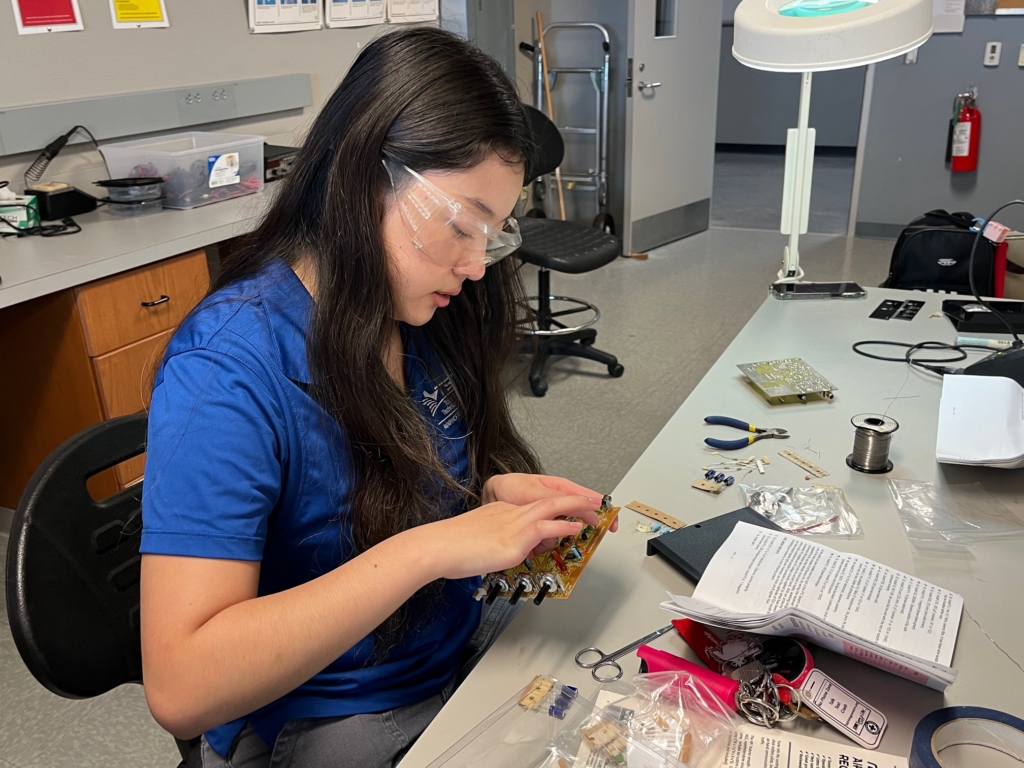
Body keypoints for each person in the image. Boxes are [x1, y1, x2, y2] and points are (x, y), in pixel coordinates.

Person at [139, 26, 611, 768]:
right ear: (363, 176)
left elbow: (378, 485)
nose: (475, 265)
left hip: (440, 653)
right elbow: (181, 684)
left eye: (491, 235)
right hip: (336, 714)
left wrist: (483, 497)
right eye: (460, 227)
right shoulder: (228, 368)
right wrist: (430, 549)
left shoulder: (411, 311)